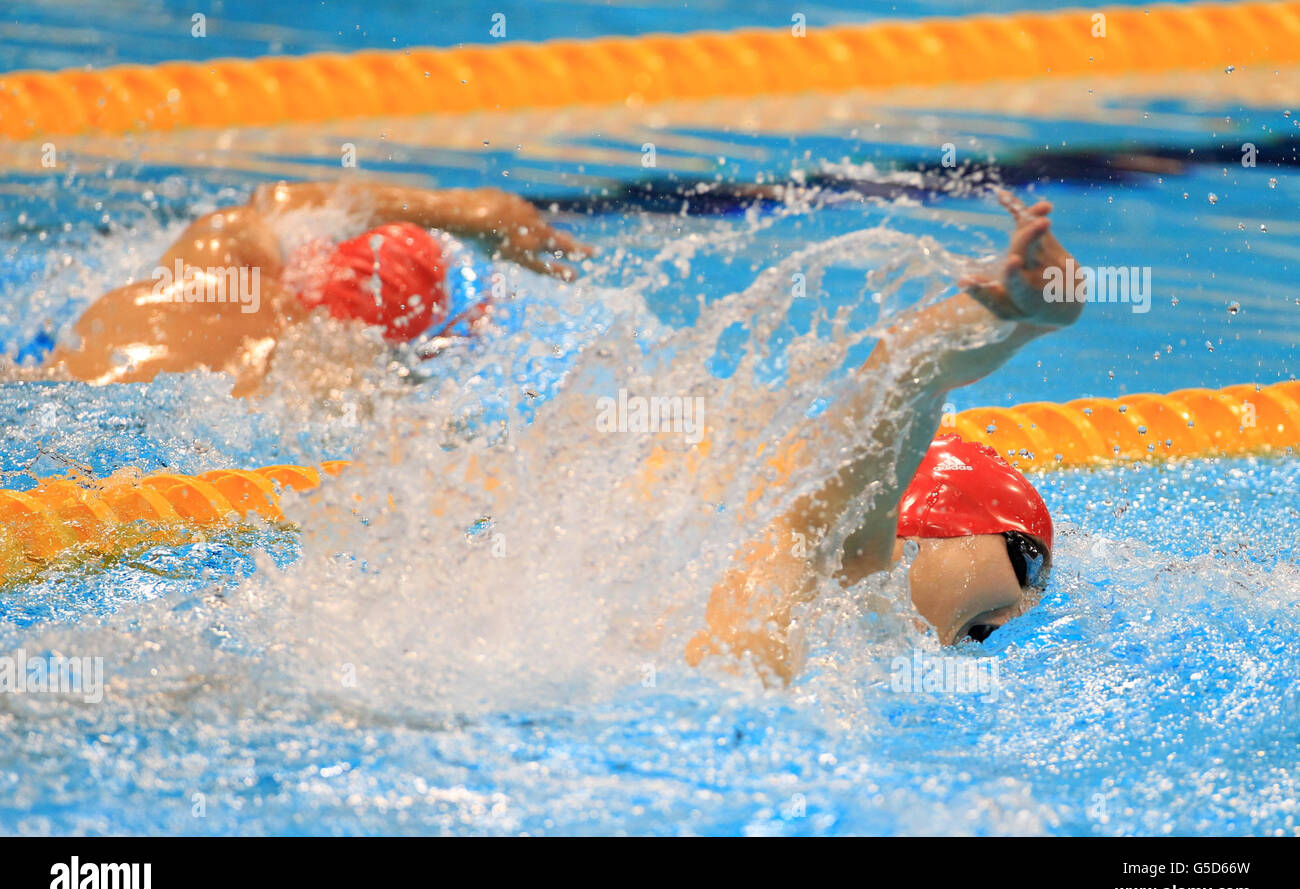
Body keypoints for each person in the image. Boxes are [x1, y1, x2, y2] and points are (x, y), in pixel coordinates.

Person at [685, 191, 1083, 683]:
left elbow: (908, 368)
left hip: (945, 535)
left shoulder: (790, 552)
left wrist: (1008, 322)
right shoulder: (812, 541)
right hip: (1004, 544)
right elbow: (907, 372)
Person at [41, 182, 589, 395]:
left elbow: (286, 201)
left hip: (38, 387)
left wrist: (473, 210)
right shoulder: (334, 369)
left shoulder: (217, 256)